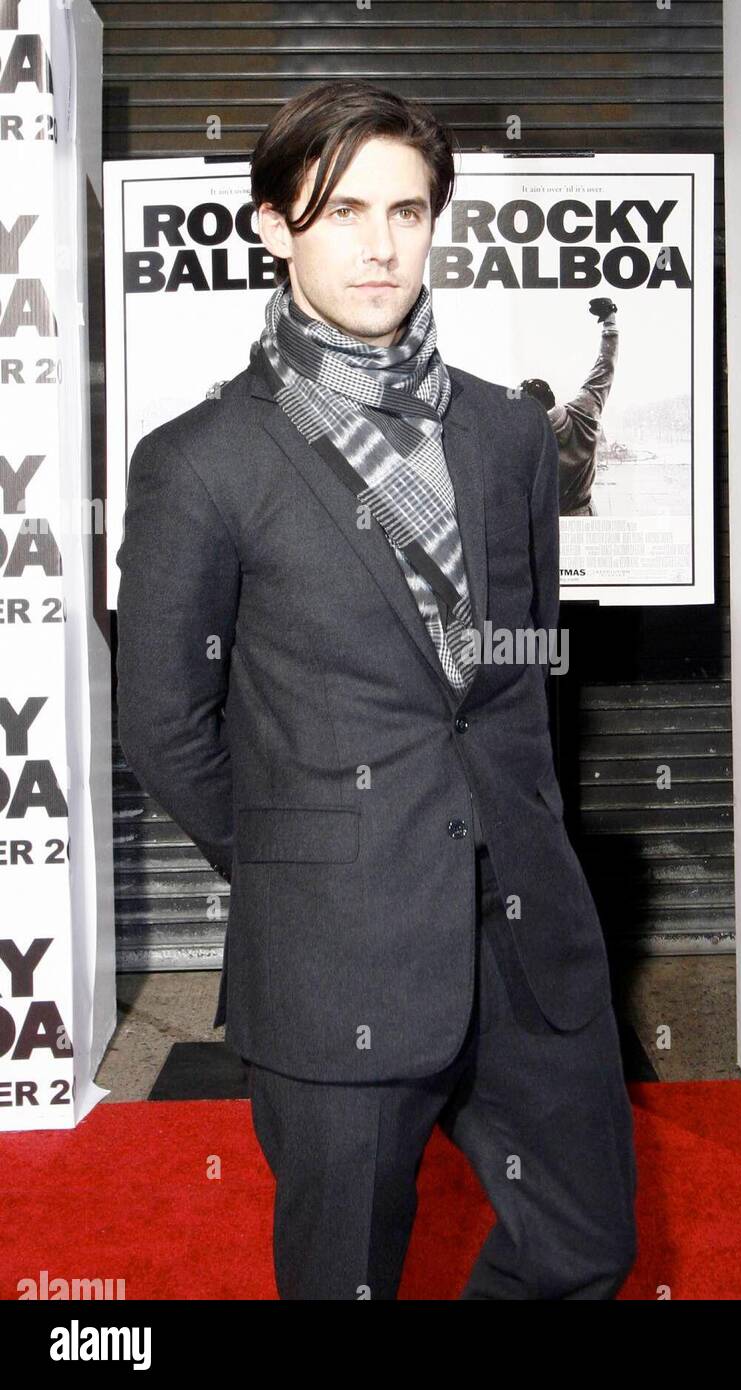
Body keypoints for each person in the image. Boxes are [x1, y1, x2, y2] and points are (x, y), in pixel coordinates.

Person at [115, 79, 637, 1300]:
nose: (380, 244)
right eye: (342, 211)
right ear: (271, 227)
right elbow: (163, 724)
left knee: (585, 1245)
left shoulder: (508, 435)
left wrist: (523, 834)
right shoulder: (199, 461)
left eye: (407, 211)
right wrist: (307, 863)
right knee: (347, 1274)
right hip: (336, 945)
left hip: (525, 926)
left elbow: (519, 662)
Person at [520, 298, 619, 517]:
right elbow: (605, 367)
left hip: (548, 525)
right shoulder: (583, 413)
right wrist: (610, 321)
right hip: (585, 515)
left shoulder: (528, 444)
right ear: (551, 399)